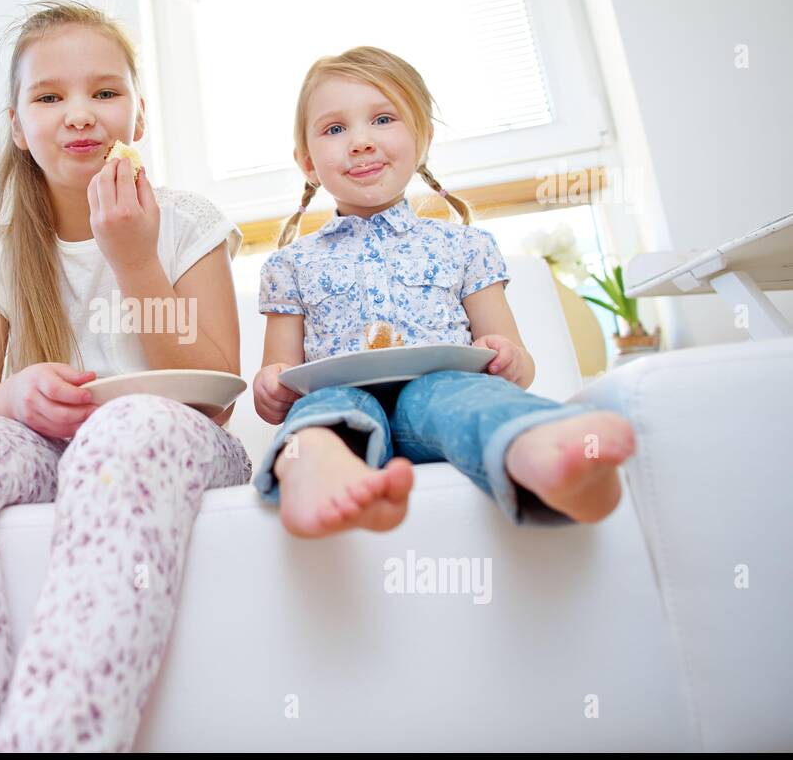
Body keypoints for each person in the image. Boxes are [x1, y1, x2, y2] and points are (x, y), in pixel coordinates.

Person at [0, 0, 250, 752]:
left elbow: (217, 392)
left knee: (124, 426)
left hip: (174, 445)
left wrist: (134, 257)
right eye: (50, 97)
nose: (80, 114)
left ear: (139, 115)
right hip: (49, 454)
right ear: (16, 125)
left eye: (106, 93)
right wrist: (14, 396)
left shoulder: (188, 221)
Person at [252, 46, 635, 538]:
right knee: (322, 412)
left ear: (423, 140)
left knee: (459, 394)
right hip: (339, 396)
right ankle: (319, 470)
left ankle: (538, 451)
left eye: (383, 119)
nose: (361, 142)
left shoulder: (465, 245)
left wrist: (506, 357)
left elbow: (512, 356)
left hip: (439, 393)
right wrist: (271, 388)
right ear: (307, 162)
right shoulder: (289, 264)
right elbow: (282, 377)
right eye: (334, 129)